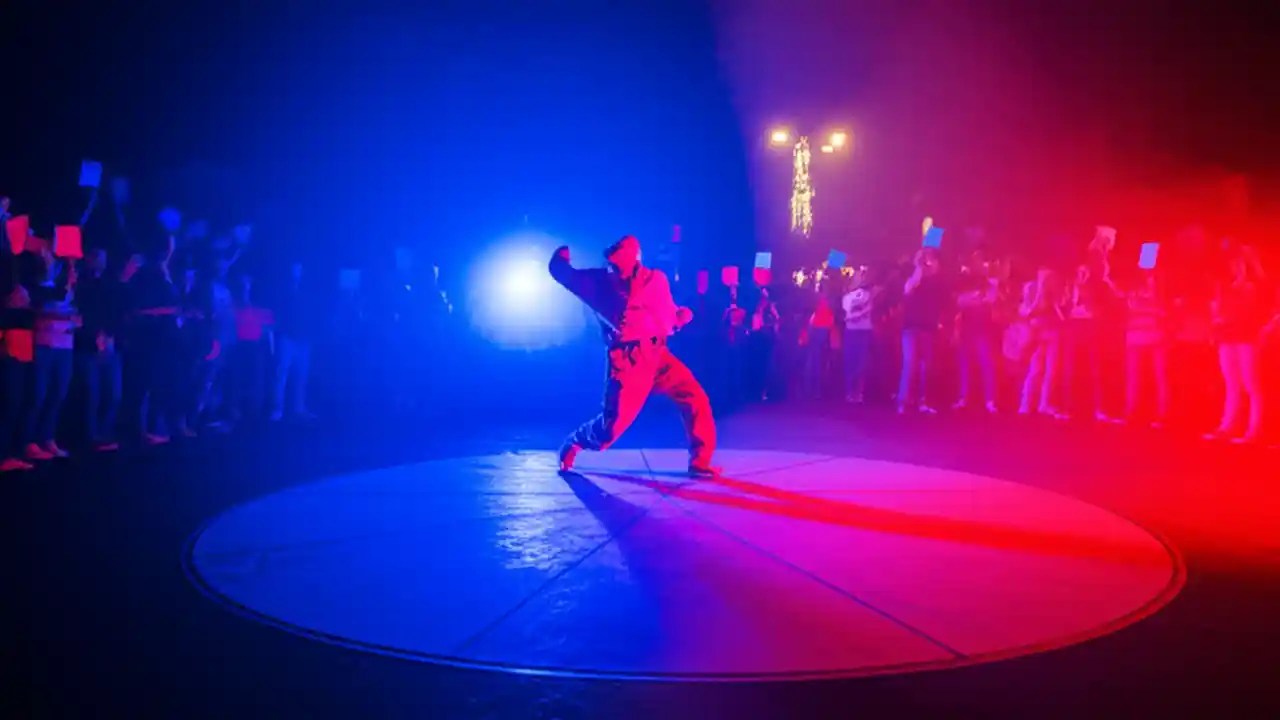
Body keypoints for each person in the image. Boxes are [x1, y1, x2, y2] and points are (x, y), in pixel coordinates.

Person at [549, 236, 717, 476]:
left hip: (657, 354)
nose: (619, 271)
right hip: (627, 363)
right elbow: (562, 273)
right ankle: (575, 441)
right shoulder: (597, 283)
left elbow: (666, 315)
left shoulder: (654, 280)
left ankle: (700, 461)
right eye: (615, 266)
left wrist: (680, 316)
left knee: (694, 396)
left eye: (624, 264)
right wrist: (561, 259)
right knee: (610, 429)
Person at [1206, 248, 1269, 443]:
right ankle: (1227, 426)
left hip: (1246, 340)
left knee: (1250, 383)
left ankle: (1254, 429)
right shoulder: (1227, 288)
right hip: (1228, 340)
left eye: (1240, 265)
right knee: (1231, 384)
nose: (1237, 268)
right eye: (1235, 265)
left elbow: (1257, 297)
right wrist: (1217, 328)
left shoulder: (1250, 287)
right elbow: (1220, 313)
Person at [75, 248, 125, 451]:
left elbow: (117, 311)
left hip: (110, 343)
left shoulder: (109, 286)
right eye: (96, 257)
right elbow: (80, 313)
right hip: (88, 345)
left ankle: (105, 433)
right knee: (92, 394)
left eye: (103, 258)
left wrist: (109, 334)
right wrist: (93, 334)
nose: (100, 262)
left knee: (113, 393)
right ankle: (92, 436)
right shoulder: (80, 284)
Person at [898, 248, 946, 414]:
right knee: (910, 363)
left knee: (927, 366)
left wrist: (931, 264)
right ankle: (903, 402)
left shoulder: (936, 282)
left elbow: (939, 281)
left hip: (928, 327)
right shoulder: (911, 279)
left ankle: (923, 401)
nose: (927, 262)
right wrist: (919, 265)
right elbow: (909, 289)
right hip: (911, 327)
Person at [270, 261, 317, 422]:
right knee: (281, 373)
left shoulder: (307, 291)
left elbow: (311, 313)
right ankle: (277, 409)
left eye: (299, 268)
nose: (296, 271)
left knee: (301, 375)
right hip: (287, 337)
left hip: (303, 338)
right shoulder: (283, 290)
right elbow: (278, 312)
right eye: (294, 269)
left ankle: (299, 408)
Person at [1018, 267, 1067, 418]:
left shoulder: (1054, 293)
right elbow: (1029, 311)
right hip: (1037, 333)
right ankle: (1025, 404)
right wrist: (1040, 291)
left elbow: (1061, 317)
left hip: (1052, 332)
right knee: (1036, 369)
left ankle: (1043, 404)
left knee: (1050, 371)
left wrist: (1054, 302)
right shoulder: (1031, 289)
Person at [1124, 270, 1171, 427]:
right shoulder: (1134, 293)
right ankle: (1132, 411)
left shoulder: (1160, 295)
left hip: (1155, 338)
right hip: (1137, 338)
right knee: (1135, 377)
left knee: (1159, 376)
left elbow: (1165, 314)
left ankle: (1162, 414)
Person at [953, 256, 999, 413]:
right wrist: (976, 298)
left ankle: (990, 400)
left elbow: (991, 299)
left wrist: (973, 299)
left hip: (982, 331)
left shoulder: (990, 284)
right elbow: (959, 302)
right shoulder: (964, 282)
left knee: (986, 365)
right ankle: (964, 398)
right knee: (965, 366)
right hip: (967, 330)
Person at [840, 271, 874, 403]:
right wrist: (860, 313)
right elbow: (849, 315)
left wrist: (855, 315)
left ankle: (858, 392)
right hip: (853, 331)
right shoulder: (847, 297)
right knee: (851, 362)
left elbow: (851, 316)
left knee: (861, 363)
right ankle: (850, 392)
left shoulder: (869, 295)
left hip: (863, 331)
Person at [748, 287, 780, 401]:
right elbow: (755, 326)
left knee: (769, 366)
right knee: (761, 366)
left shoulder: (771, 312)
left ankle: (766, 391)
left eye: (765, 299)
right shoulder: (757, 312)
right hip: (759, 341)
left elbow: (777, 322)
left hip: (767, 341)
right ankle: (760, 391)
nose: (763, 301)